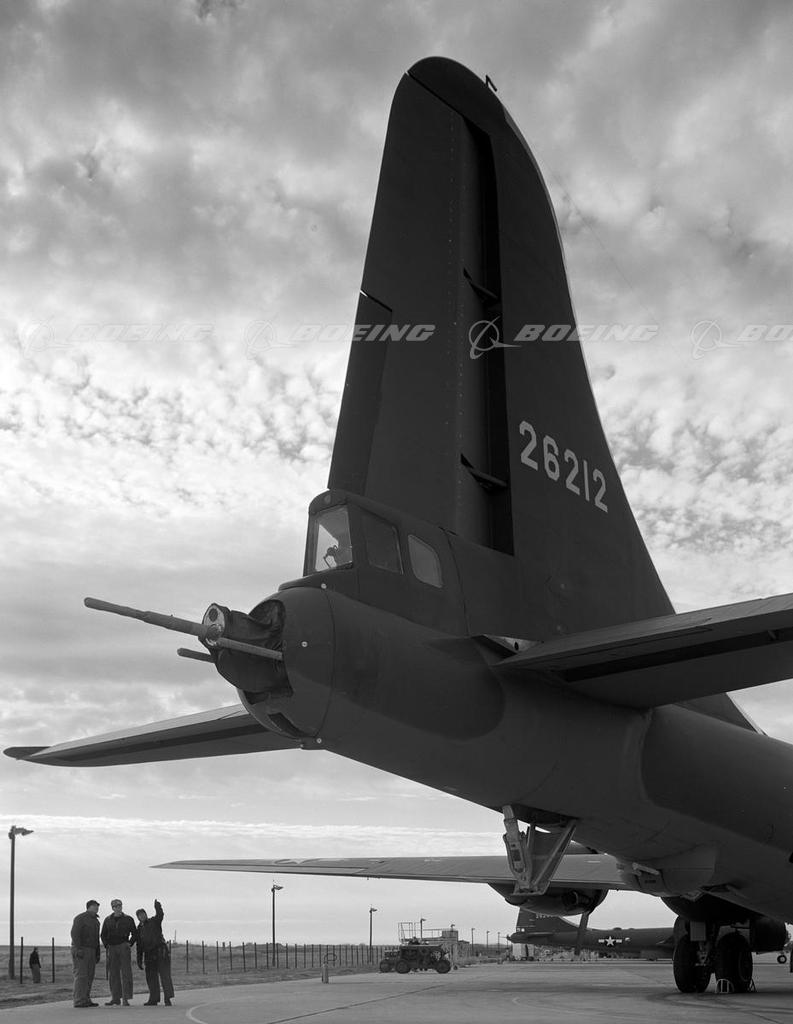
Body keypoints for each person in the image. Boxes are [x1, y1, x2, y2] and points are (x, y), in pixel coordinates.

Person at [136, 900, 174, 1007]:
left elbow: (160, 915)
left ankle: (167, 998)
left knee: (165, 976)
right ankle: (153, 999)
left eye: (143, 914)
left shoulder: (154, 921)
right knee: (151, 978)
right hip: (149, 954)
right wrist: (139, 959)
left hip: (160, 952)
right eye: (140, 915)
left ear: (146, 914)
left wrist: (158, 907)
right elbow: (139, 945)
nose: (142, 916)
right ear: (138, 917)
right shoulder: (139, 929)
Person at [101, 898, 137, 1006]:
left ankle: (126, 998)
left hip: (123, 946)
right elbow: (103, 934)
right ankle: (115, 998)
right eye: (116, 906)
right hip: (112, 947)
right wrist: (107, 945)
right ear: (112, 908)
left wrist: (129, 943)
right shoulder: (108, 919)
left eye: (120, 906)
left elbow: (135, 933)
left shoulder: (128, 919)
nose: (118, 908)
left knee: (126, 973)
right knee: (113, 973)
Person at [71, 899, 101, 1008]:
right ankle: (79, 1000)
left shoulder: (96, 921)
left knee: (89, 976)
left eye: (97, 906)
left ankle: (86, 999)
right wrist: (78, 948)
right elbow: (75, 933)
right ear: (88, 907)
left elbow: (96, 938)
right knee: (81, 975)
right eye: (94, 906)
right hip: (81, 949)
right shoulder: (80, 918)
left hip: (92, 950)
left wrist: (97, 952)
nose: (96, 908)